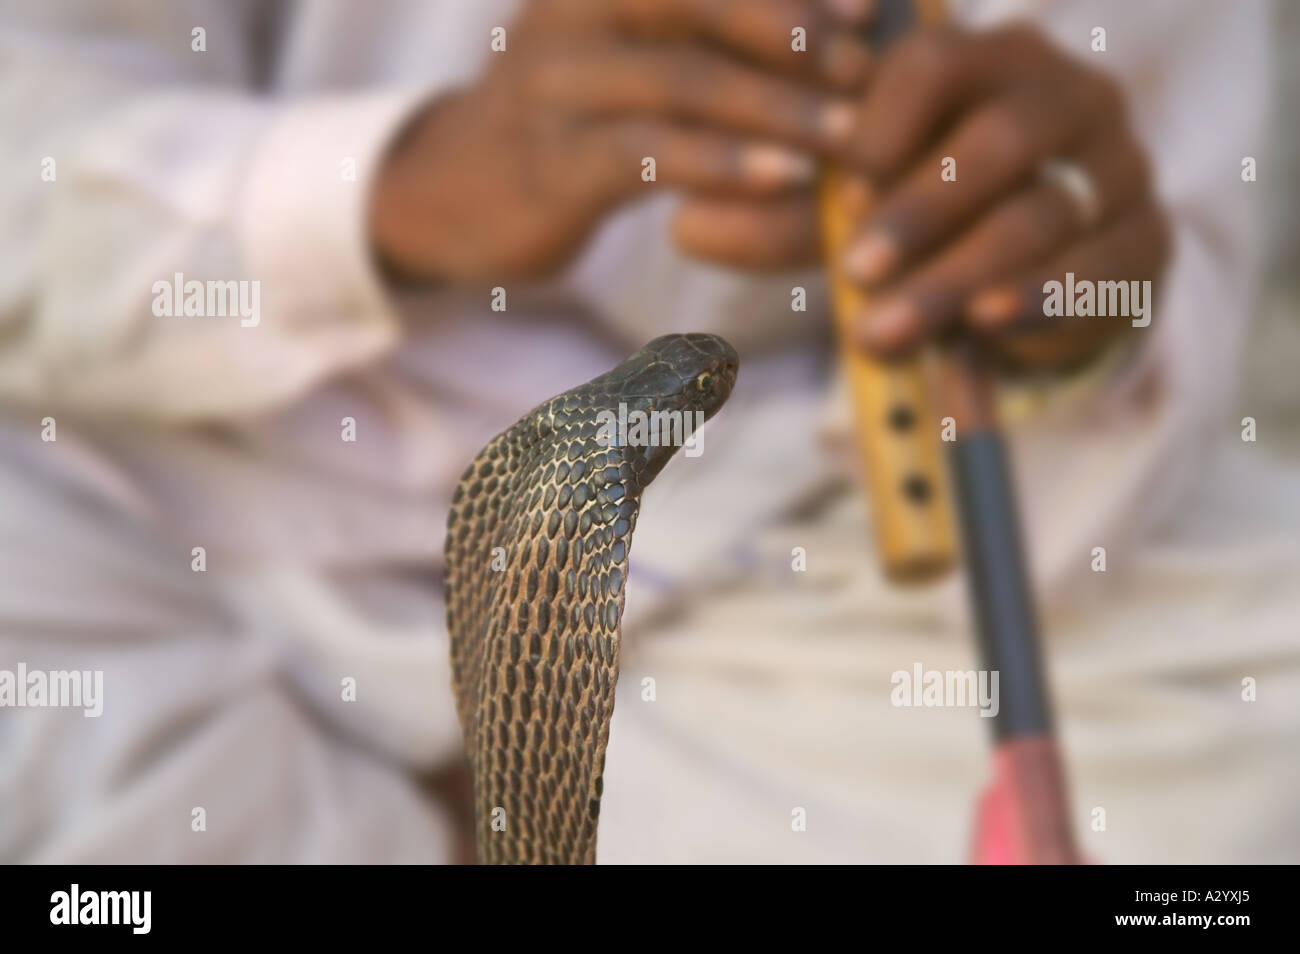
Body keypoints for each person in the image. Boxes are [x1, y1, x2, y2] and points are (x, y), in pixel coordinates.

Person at [1, 0, 1292, 863]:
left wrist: (1060, 314)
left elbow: (1148, 322)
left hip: (765, 558)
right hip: (179, 498)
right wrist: (403, 183)